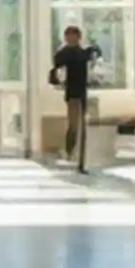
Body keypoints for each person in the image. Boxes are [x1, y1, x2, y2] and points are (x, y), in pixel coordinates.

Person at [50, 26, 100, 167]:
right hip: (72, 92)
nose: (71, 39)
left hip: (82, 91)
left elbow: (93, 58)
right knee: (73, 124)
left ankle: (79, 152)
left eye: (73, 36)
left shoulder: (82, 52)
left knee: (83, 123)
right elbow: (56, 67)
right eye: (69, 36)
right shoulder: (66, 53)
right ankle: (70, 150)